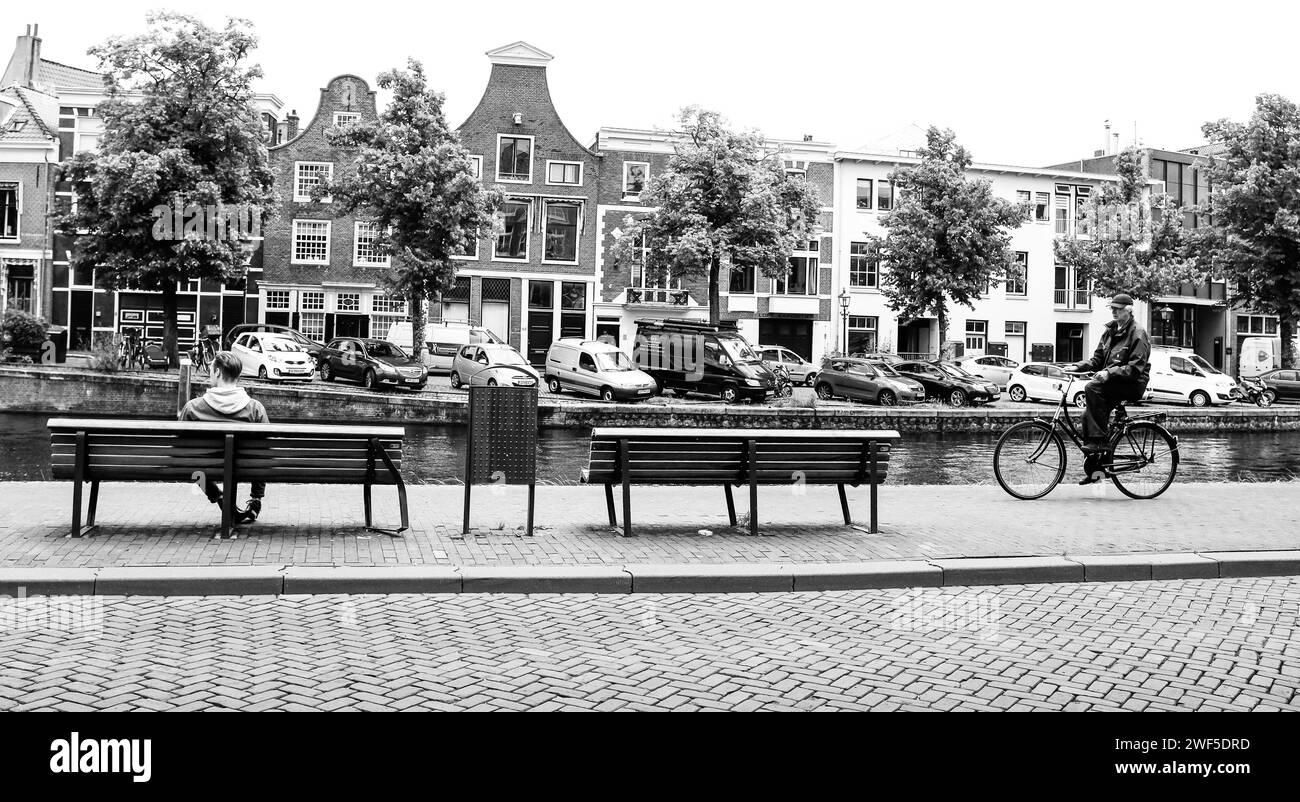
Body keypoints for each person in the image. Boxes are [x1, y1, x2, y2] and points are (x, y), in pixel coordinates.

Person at [179, 351, 268, 527]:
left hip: (205, 470)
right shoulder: (255, 409)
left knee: (190, 463)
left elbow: (179, 449)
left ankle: (217, 495)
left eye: (211, 371)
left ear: (218, 372)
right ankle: (255, 500)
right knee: (260, 454)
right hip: (246, 468)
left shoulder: (192, 408)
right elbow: (266, 448)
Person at [1071, 293, 1151, 484]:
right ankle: (1097, 470)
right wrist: (1078, 367)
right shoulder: (1110, 331)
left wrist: (1109, 373)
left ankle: (1100, 443)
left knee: (1092, 388)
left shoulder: (1138, 333)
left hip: (1132, 383)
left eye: (1118, 308)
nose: (1113, 311)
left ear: (1128, 311)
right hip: (1115, 381)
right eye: (1112, 308)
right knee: (1086, 416)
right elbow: (1097, 359)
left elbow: (1135, 367)